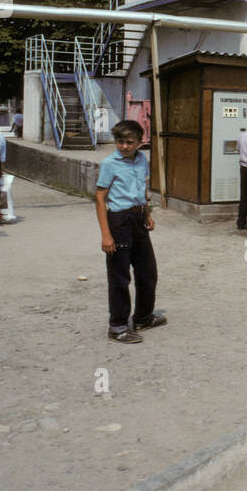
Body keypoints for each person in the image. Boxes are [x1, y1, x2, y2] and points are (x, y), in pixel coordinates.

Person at [95, 120, 164, 344]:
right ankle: (118, 326)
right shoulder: (109, 163)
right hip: (119, 221)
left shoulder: (142, 160)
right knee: (120, 276)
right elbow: (100, 197)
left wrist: (147, 215)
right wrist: (106, 234)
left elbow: (141, 190)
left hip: (138, 218)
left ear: (139, 142)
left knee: (147, 272)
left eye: (129, 142)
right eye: (119, 142)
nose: (123, 146)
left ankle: (143, 317)